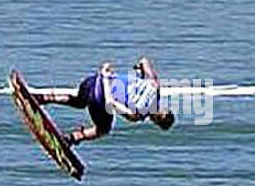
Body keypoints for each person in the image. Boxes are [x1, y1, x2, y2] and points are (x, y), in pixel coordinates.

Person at [34, 57, 176, 146]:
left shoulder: (155, 86)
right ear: (156, 121)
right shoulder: (137, 114)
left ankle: (44, 98)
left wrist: (138, 68)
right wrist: (106, 79)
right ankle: (72, 138)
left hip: (92, 81)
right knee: (103, 129)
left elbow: (144, 61)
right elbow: (110, 103)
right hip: (100, 96)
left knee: (78, 100)